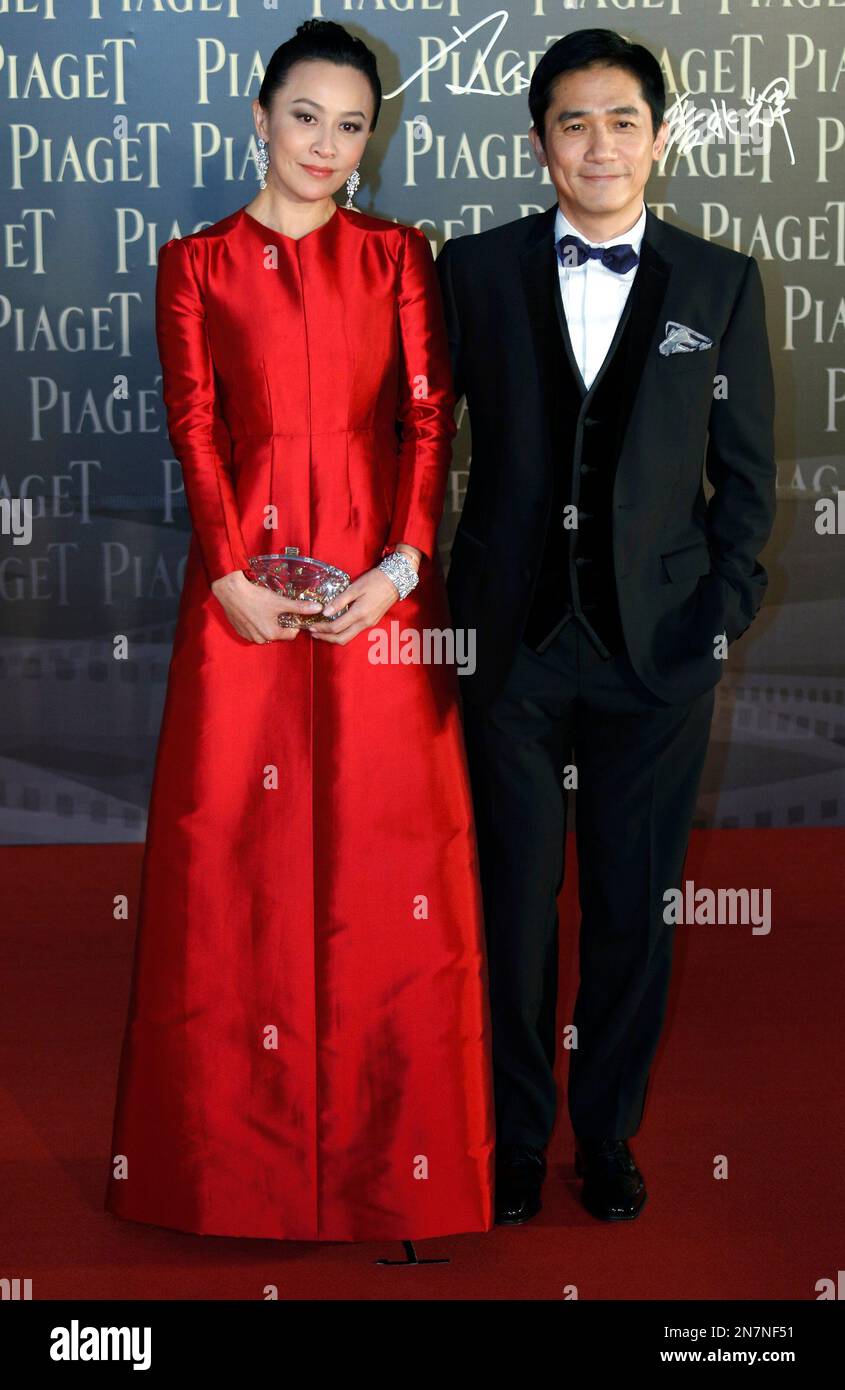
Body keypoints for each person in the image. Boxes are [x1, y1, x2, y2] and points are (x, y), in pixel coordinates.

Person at [104, 19, 494, 1244]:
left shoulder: (397, 257)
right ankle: (227, 1170)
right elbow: (196, 423)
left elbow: (431, 422)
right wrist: (226, 573)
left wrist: (400, 565)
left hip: (378, 596)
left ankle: (399, 1168)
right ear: (259, 116)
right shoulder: (195, 263)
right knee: (231, 859)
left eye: (351, 124)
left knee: (389, 869)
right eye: (305, 115)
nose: (326, 144)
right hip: (241, 603)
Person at [436, 28, 776, 1225]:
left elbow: (745, 486)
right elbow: (417, 441)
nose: (597, 143)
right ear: (539, 144)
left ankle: (607, 1132)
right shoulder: (469, 273)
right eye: (571, 122)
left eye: (620, 118)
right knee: (514, 907)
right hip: (511, 652)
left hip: (657, 657)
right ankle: (516, 1135)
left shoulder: (720, 282)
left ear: (659, 135)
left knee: (633, 913)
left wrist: (714, 621)